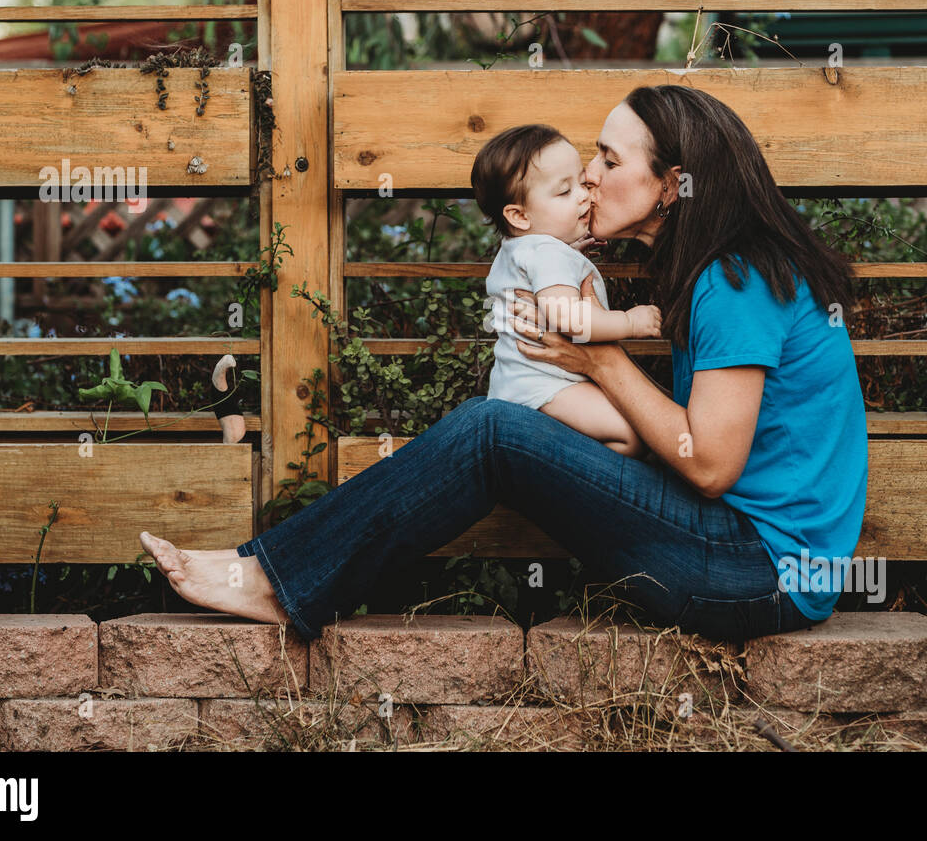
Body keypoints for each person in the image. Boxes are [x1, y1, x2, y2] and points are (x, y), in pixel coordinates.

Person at [141, 84, 869, 643]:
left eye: (610, 161)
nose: (590, 175)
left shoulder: (735, 279)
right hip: (737, 548)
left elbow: (710, 463)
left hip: (759, 572)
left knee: (495, 432)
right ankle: (276, 572)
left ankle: (275, 581)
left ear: (672, 185)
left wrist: (599, 360)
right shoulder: (718, 271)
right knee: (503, 430)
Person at [471, 123, 661, 457]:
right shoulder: (547, 254)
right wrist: (630, 323)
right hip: (545, 388)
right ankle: (556, 469)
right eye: (564, 192)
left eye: (581, 182)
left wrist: (570, 257)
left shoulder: (525, 249)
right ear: (519, 215)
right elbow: (569, 320)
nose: (584, 194)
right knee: (632, 435)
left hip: (525, 385)